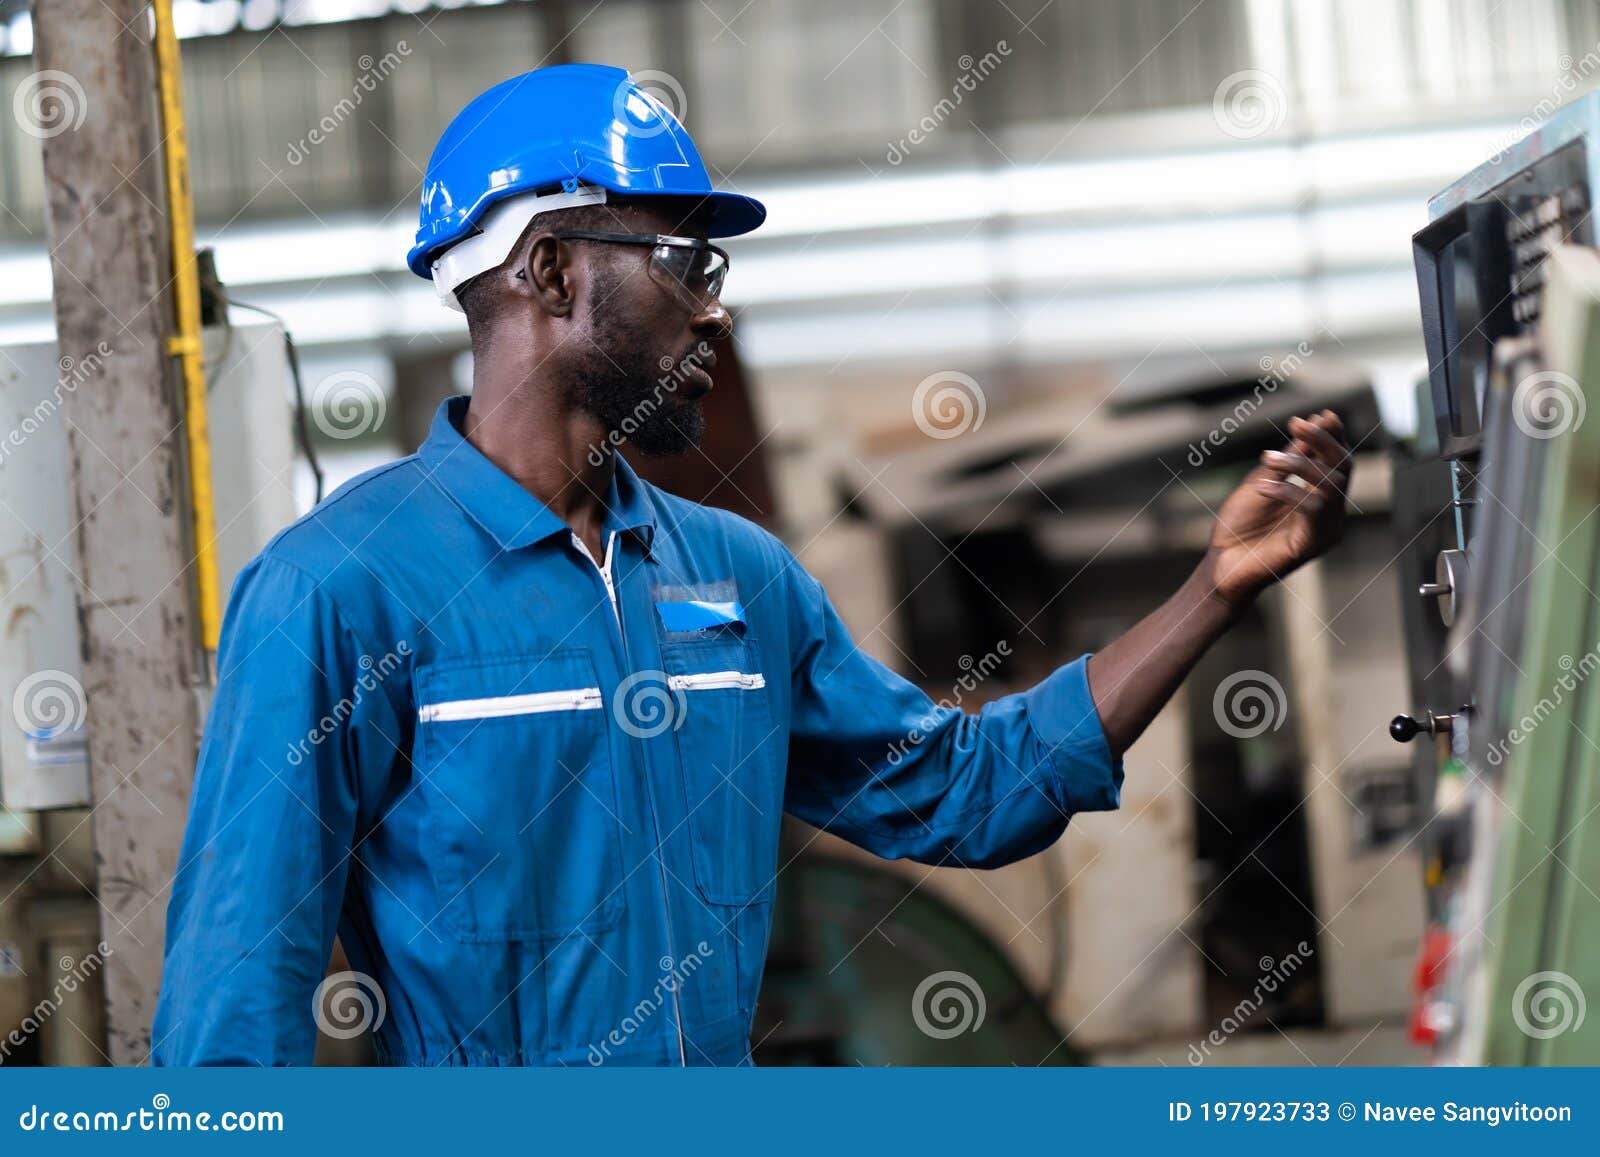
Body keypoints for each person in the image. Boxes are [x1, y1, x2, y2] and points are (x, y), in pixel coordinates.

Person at [153, 63, 1350, 1066]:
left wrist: (1214, 587)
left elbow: (967, 789)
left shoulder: (736, 577)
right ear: (549, 269)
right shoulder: (340, 590)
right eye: (682, 261)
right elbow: (233, 1009)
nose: (713, 310)